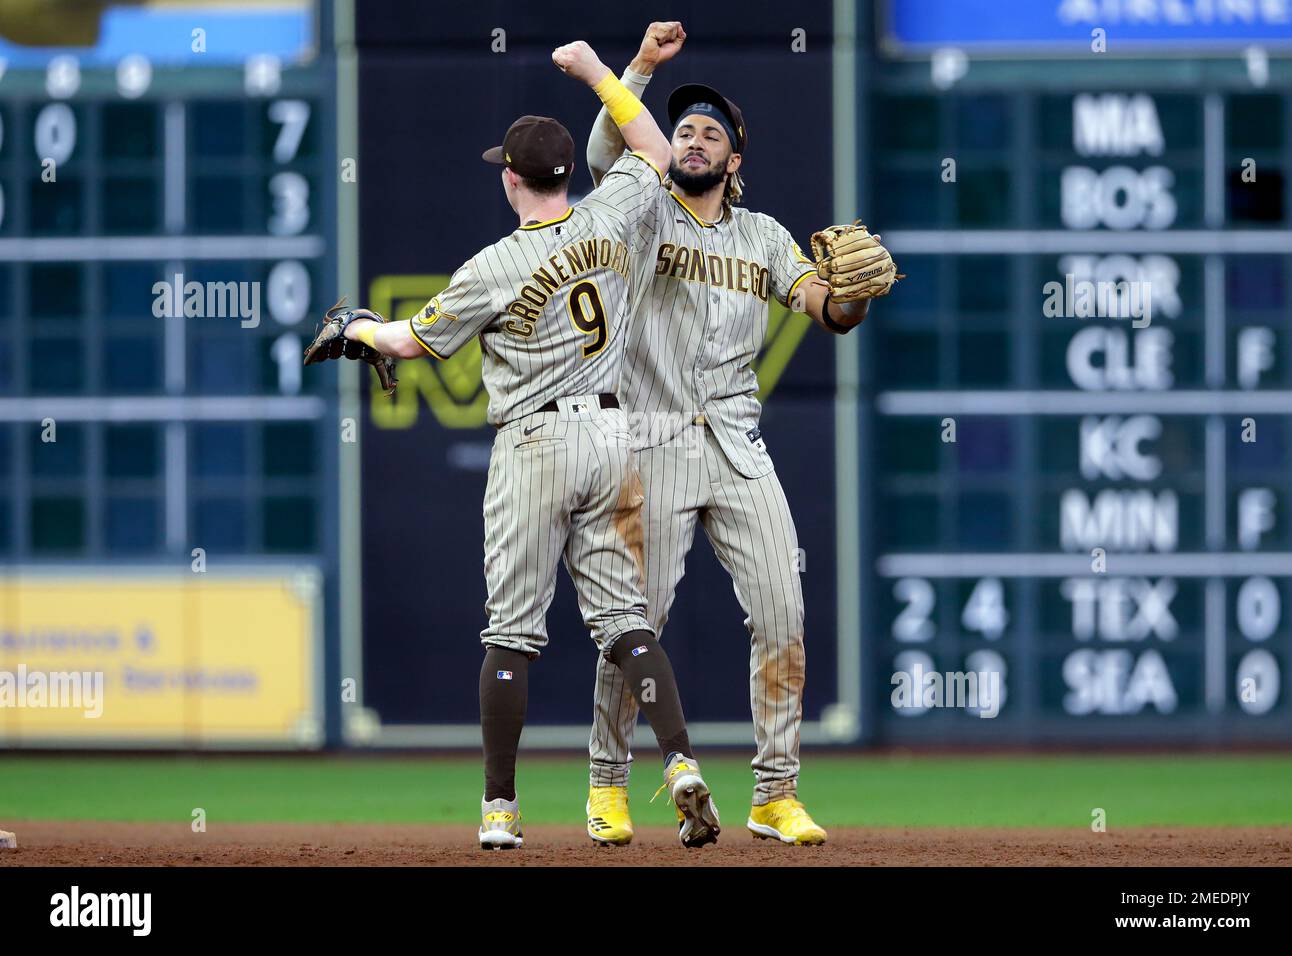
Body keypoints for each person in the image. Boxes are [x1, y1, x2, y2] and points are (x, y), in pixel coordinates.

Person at [308, 33, 721, 849]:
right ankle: (678, 762)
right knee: (627, 623)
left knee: (512, 632)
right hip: (613, 433)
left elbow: (407, 345)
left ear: (510, 178)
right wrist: (607, 72)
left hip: (534, 444)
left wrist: (359, 325)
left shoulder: (490, 267)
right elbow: (648, 143)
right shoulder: (614, 210)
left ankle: (500, 810)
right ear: (567, 173)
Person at [582, 22, 891, 847]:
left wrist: (855, 297)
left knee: (783, 612)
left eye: (709, 133)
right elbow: (607, 149)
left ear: (734, 162)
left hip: (738, 447)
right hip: (652, 443)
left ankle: (774, 793)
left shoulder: (763, 238)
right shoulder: (640, 207)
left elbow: (828, 309)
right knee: (632, 624)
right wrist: (642, 67)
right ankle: (608, 785)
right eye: (683, 130)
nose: (690, 139)